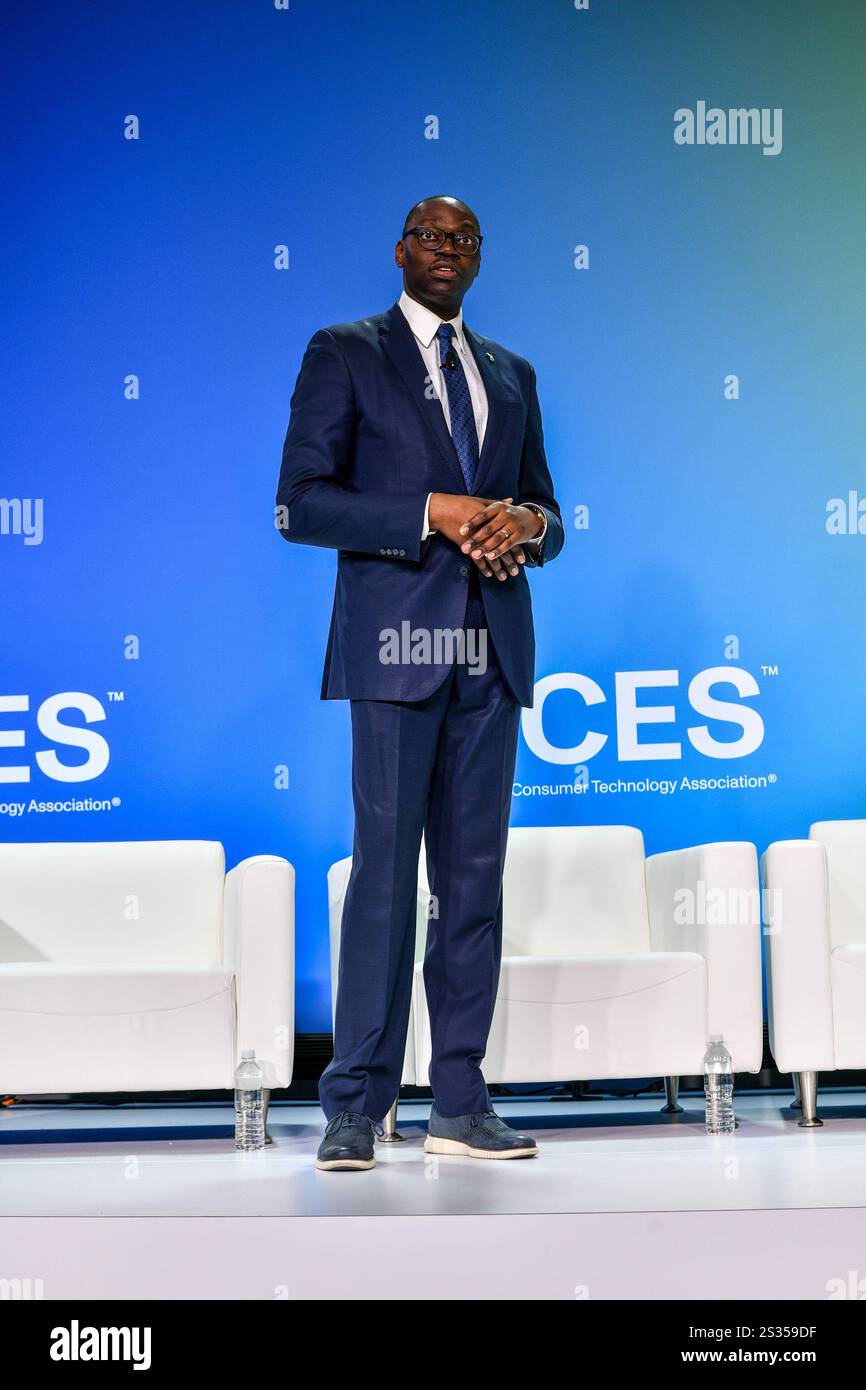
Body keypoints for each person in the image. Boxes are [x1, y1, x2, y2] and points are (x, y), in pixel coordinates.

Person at [276, 195, 564, 1170]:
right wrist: (432, 510)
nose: (448, 251)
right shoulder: (344, 351)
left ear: (478, 259)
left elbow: (548, 513)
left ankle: (458, 1098)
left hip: (492, 649)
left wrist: (520, 526)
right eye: (432, 237)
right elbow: (301, 505)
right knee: (385, 878)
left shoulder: (512, 374)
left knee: (473, 882)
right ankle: (354, 1106)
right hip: (394, 650)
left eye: (466, 240)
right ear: (400, 250)